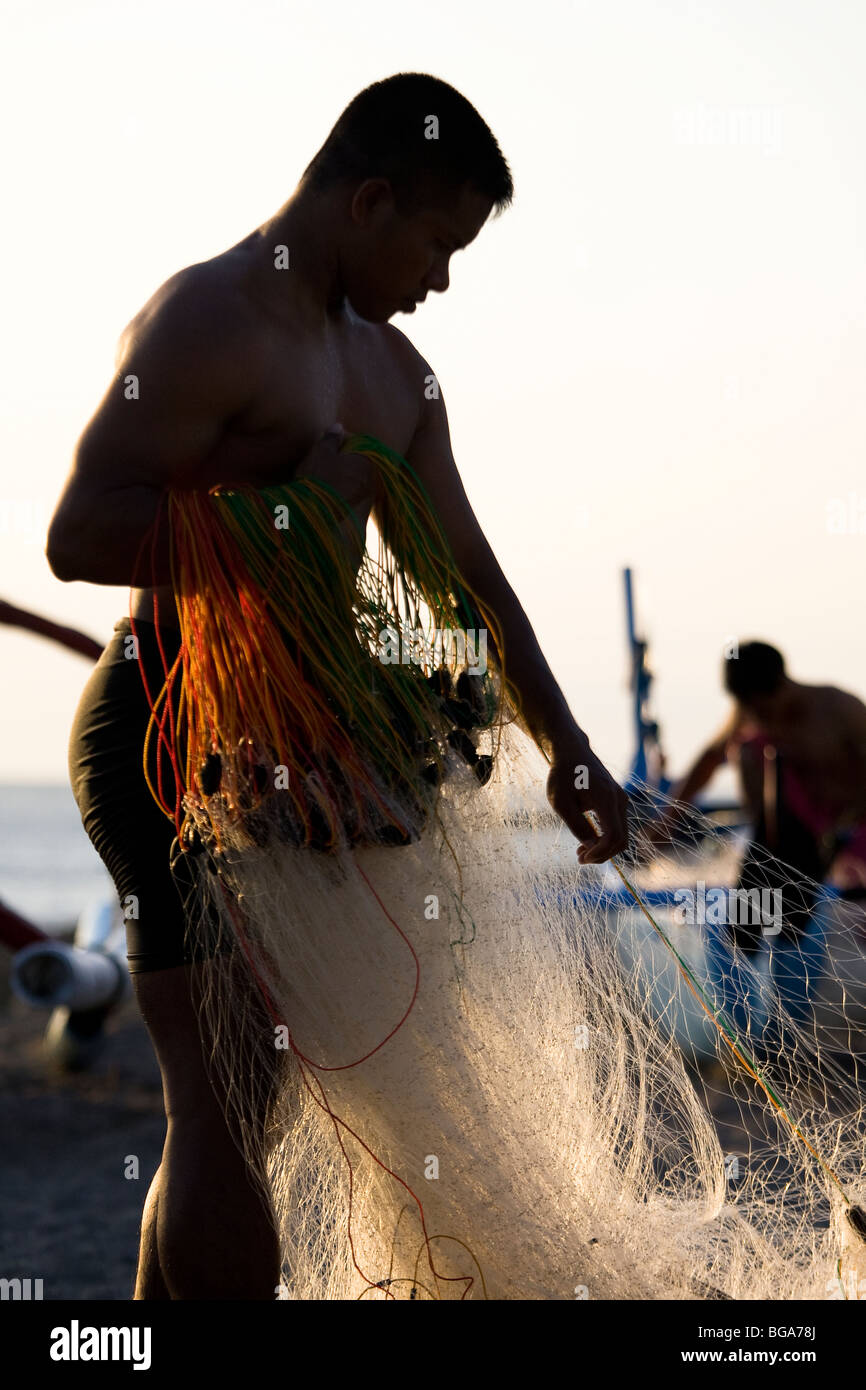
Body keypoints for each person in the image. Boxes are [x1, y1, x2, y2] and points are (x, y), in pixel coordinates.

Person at [46, 72, 629, 1300]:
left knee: (237, 1105)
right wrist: (288, 514)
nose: (442, 278)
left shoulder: (396, 378)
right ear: (369, 201)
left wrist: (565, 737)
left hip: (297, 754)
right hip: (167, 732)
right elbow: (80, 535)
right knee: (219, 1093)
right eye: (436, 241)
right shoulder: (208, 325)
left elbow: (467, 574)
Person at [654, 640, 866, 1034]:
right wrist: (665, 825)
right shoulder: (751, 714)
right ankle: (750, 1038)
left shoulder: (840, 709)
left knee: (791, 922)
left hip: (847, 837)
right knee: (742, 930)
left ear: (783, 683)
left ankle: (784, 1034)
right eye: (749, 708)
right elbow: (707, 761)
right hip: (782, 847)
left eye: (762, 706)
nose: (759, 716)